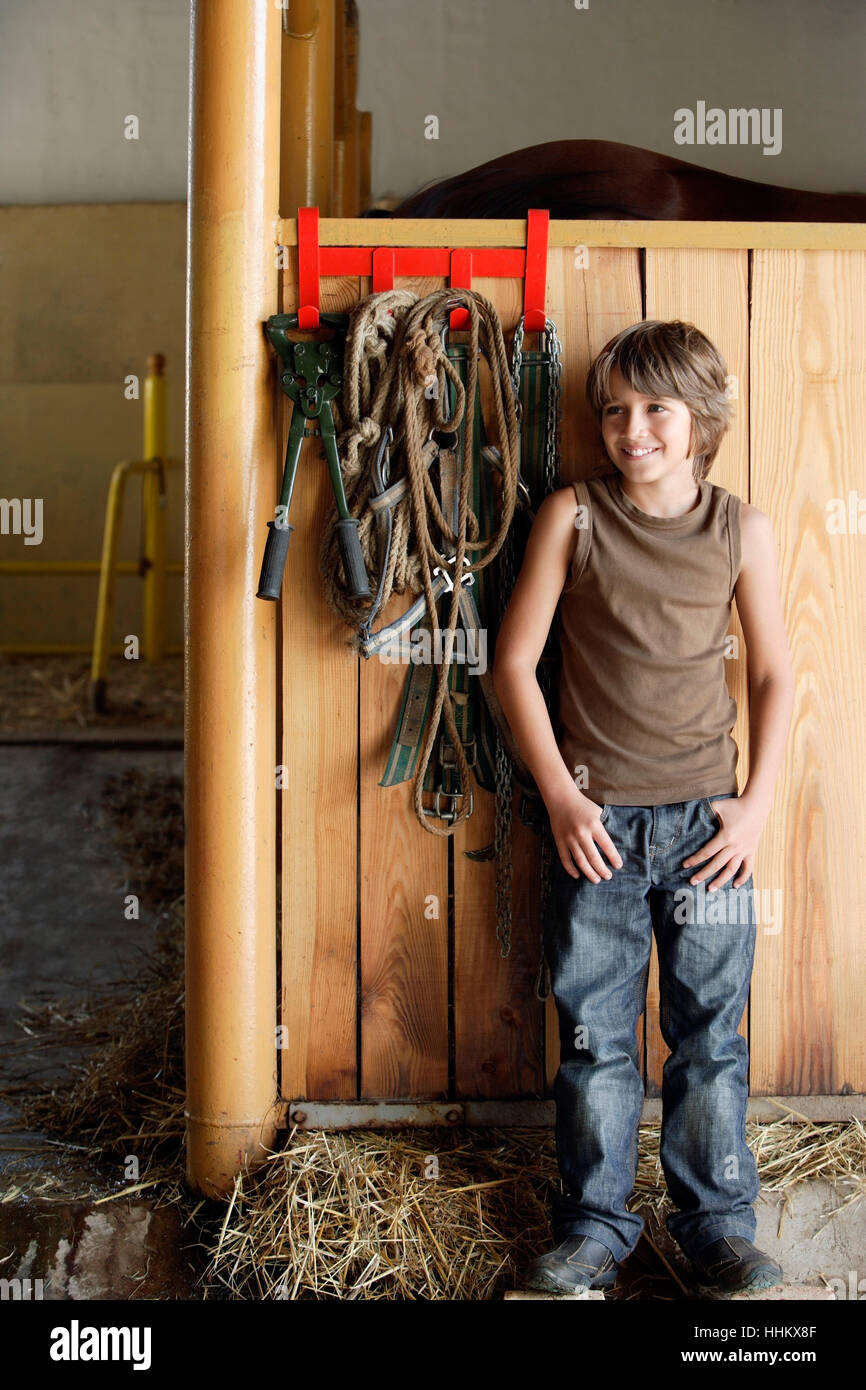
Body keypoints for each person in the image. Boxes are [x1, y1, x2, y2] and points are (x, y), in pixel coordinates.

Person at [491, 320, 794, 1296]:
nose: (632, 430)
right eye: (614, 411)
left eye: (655, 409)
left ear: (701, 418)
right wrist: (560, 797)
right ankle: (592, 1231)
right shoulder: (572, 516)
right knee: (594, 1040)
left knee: (709, 1037)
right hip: (599, 831)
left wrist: (750, 811)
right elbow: (510, 665)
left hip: (708, 829)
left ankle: (714, 1231)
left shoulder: (739, 529)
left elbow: (777, 679)